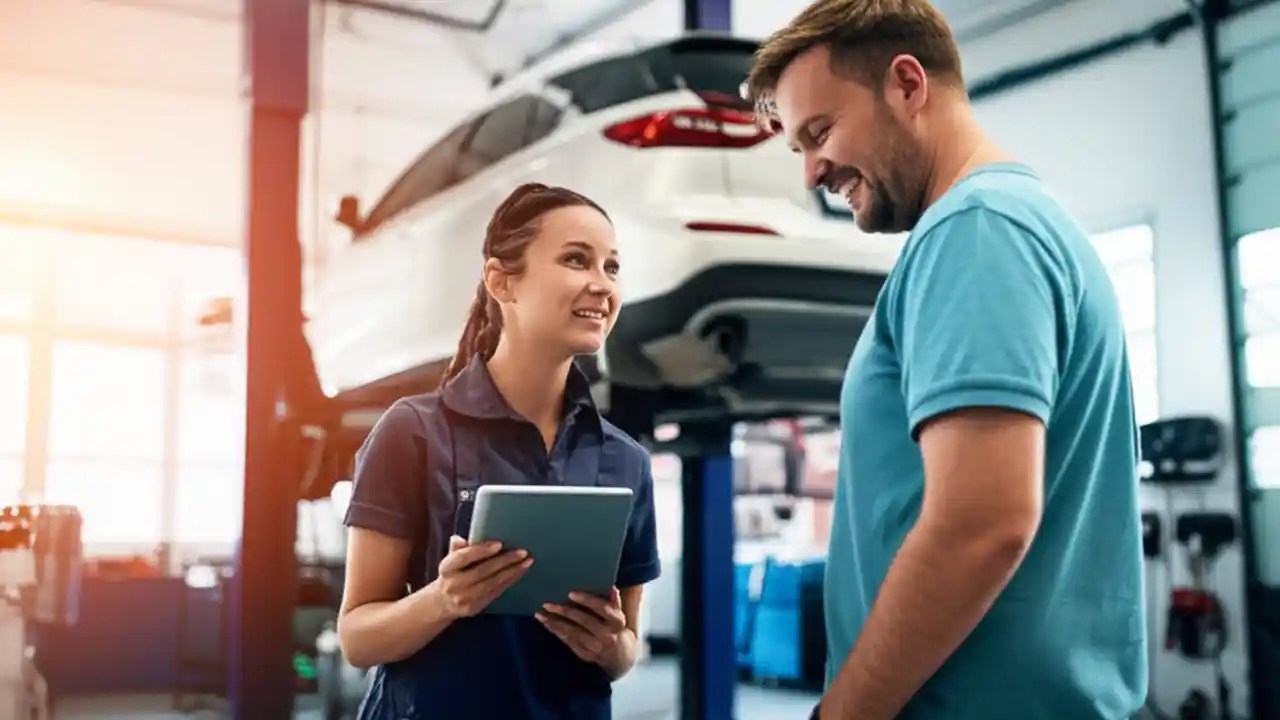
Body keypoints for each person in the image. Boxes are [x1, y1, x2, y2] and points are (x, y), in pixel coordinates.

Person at [745, 2, 1146, 718]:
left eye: (820, 132)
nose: (810, 173)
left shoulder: (977, 229)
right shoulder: (1020, 220)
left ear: (906, 85)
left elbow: (981, 522)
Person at [336, 183, 661, 720]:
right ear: (501, 281)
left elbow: (625, 649)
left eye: (612, 267)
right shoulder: (414, 432)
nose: (602, 285)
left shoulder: (625, 462)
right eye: (577, 260)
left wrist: (609, 646)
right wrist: (444, 599)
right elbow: (358, 638)